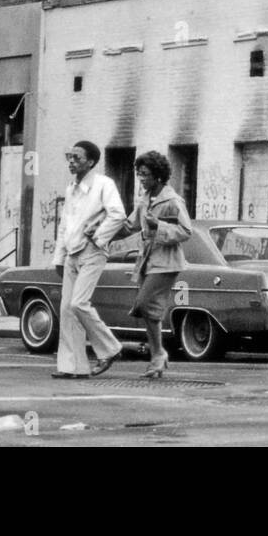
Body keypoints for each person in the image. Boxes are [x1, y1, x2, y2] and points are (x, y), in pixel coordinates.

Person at [52, 140, 127, 379]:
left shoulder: (104, 184)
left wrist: (99, 239)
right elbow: (65, 225)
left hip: (92, 252)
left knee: (78, 304)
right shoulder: (70, 189)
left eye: (77, 158)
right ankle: (72, 367)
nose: (71, 162)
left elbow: (118, 214)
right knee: (66, 309)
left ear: (91, 162)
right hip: (72, 253)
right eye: (69, 157)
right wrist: (59, 257)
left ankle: (110, 348)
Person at [126, 151, 192, 379]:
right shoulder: (145, 199)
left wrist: (159, 227)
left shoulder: (172, 200)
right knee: (148, 310)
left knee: (144, 304)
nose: (141, 178)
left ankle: (159, 353)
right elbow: (130, 225)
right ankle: (158, 355)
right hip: (147, 261)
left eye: (145, 174)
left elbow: (186, 231)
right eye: (138, 174)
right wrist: (102, 235)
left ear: (158, 176)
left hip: (166, 262)